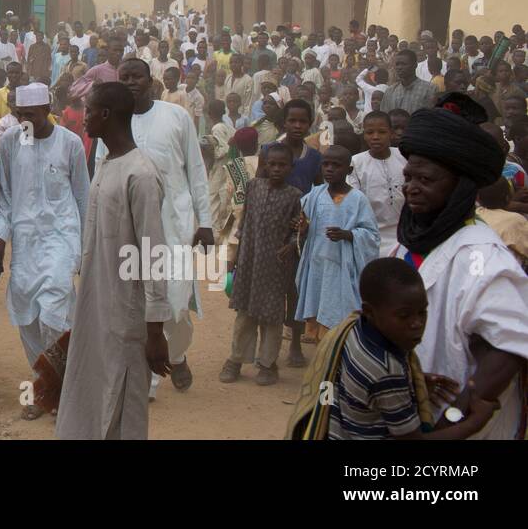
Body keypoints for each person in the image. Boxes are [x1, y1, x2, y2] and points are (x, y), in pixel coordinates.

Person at [389, 100, 528, 439]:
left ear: (459, 186)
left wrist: (459, 415)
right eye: (408, 177)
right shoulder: (409, 244)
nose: (411, 187)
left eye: (425, 179)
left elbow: (510, 344)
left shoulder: (484, 256)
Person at [54, 81, 171, 439]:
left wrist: (155, 331)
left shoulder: (142, 175)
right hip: (96, 306)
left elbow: (152, 254)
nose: (83, 118)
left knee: (124, 400)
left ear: (105, 114)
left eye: (88, 111)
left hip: (127, 314)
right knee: (91, 390)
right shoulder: (105, 163)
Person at [94, 58, 213, 397]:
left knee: (174, 303)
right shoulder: (113, 121)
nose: (131, 82)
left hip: (174, 224)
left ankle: (176, 354)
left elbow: (196, 169)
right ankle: (149, 379)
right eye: (125, 76)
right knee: (138, 302)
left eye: (137, 76)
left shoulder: (175, 117)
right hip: (128, 228)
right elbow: (101, 173)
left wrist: (204, 222)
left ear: (151, 80)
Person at [287, 258, 499, 440]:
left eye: (422, 312)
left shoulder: (352, 330)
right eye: (404, 316)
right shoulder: (386, 371)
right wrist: (474, 424)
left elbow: (339, 383)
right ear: (370, 311)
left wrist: (411, 382)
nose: (417, 323)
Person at [0, 81, 89, 415]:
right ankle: (44, 383)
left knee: (54, 313)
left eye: (30, 114)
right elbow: (3, 193)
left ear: (47, 109)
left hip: (62, 238)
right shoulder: (9, 141)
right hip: (24, 242)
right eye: (19, 114)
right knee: (27, 315)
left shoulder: (70, 143)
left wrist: (85, 248)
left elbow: (82, 195)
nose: (24, 120)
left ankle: (60, 388)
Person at [220, 142, 302, 386]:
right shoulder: (254, 187)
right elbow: (243, 225)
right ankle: (235, 360)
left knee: (272, 316)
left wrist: (291, 242)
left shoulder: (295, 196)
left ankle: (267, 364)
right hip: (249, 261)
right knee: (244, 313)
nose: (276, 169)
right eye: (271, 164)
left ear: (290, 167)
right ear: (264, 165)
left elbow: (298, 230)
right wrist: (234, 258)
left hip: (276, 266)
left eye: (282, 165)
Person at [294, 145, 380, 343]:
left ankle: (336, 365)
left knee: (339, 323)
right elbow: (302, 223)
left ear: (349, 170)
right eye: (326, 164)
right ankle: (323, 366)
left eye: (336, 165)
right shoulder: (314, 195)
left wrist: (349, 235)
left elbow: (372, 236)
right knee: (317, 320)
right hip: (317, 267)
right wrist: (303, 228)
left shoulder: (358, 199)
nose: (330, 169)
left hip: (342, 269)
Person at [349, 111, 408, 257]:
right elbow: (353, 202)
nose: (375, 137)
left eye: (382, 132)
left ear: (391, 133)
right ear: (364, 135)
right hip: (370, 235)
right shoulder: (356, 163)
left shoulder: (404, 157)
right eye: (370, 132)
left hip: (404, 234)